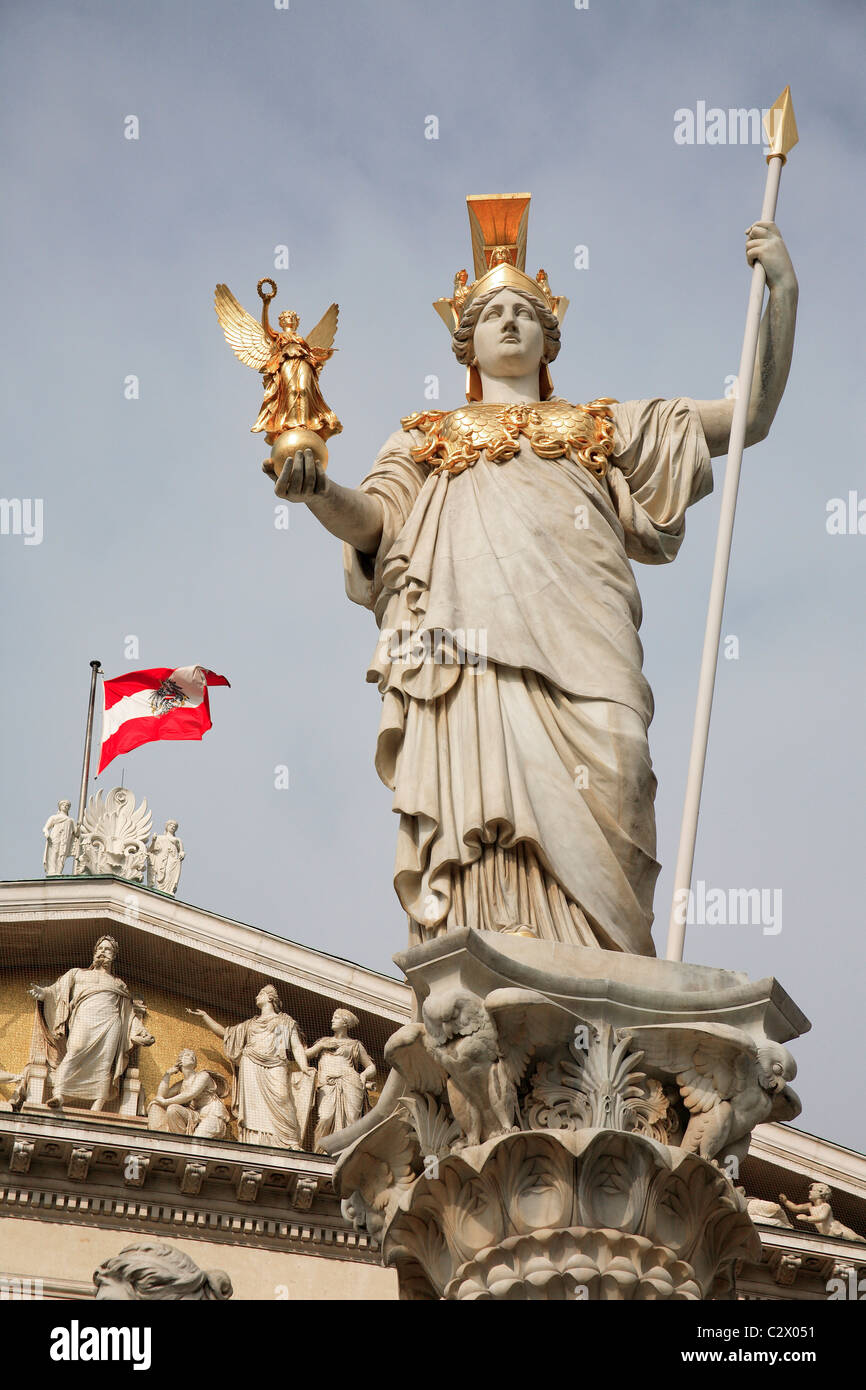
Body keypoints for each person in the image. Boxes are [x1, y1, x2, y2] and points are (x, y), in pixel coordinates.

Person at [271, 210, 797, 956]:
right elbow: (373, 523)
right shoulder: (427, 438)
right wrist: (318, 488)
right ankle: (506, 958)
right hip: (470, 655)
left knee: (619, 767)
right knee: (489, 816)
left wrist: (783, 296)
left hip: (591, 644)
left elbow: (751, 419)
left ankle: (611, 970)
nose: (511, 323)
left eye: (525, 313)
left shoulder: (605, 426)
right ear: (468, 340)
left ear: (550, 338)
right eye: (493, 314)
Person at [28, 935, 154, 1110]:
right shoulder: (78, 974)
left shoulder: (119, 984)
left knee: (104, 1063)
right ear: (95, 952)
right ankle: (59, 1094)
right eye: (100, 949)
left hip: (111, 1024)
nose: (103, 952)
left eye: (107, 949)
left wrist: (139, 1033)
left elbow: (128, 1015)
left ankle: (98, 1104)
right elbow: (57, 991)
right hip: (84, 1019)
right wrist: (43, 993)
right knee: (75, 1050)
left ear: (114, 956)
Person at [188, 986, 315, 1149]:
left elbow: (288, 1047)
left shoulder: (281, 1021)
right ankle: (254, 1141)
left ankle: (289, 1141)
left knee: (282, 1098)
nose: (257, 996)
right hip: (251, 1063)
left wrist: (303, 1066)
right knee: (254, 1106)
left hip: (275, 1064)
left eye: (260, 993)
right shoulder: (250, 1025)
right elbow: (226, 1034)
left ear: (270, 997)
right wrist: (205, 1017)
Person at [306, 1009, 376, 1151]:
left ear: (345, 1022)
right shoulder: (324, 1041)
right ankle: (319, 1151)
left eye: (336, 1018)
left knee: (351, 1120)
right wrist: (321, 1046)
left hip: (350, 1082)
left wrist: (363, 1076)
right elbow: (305, 1055)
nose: (332, 1020)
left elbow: (371, 1067)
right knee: (325, 1117)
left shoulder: (355, 1045)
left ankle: (348, 1153)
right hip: (327, 1084)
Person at [147, 1048, 230, 1138]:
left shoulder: (203, 1076)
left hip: (212, 1113)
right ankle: (180, 1141)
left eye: (193, 1056)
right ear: (180, 1062)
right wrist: (167, 1075)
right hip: (197, 1114)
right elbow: (161, 1096)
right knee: (172, 1109)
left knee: (197, 1142)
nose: (192, 1057)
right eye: (187, 1055)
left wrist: (165, 1102)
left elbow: (190, 1094)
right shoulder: (181, 1085)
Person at [42, 799, 75, 876]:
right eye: (63, 805)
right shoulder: (54, 817)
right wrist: (46, 833)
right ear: (60, 807)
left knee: (62, 854)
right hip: (55, 836)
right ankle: (52, 871)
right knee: (54, 852)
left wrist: (79, 825)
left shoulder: (71, 820)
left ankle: (58, 871)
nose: (65, 806)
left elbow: (76, 833)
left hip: (65, 839)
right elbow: (45, 827)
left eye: (67, 805)